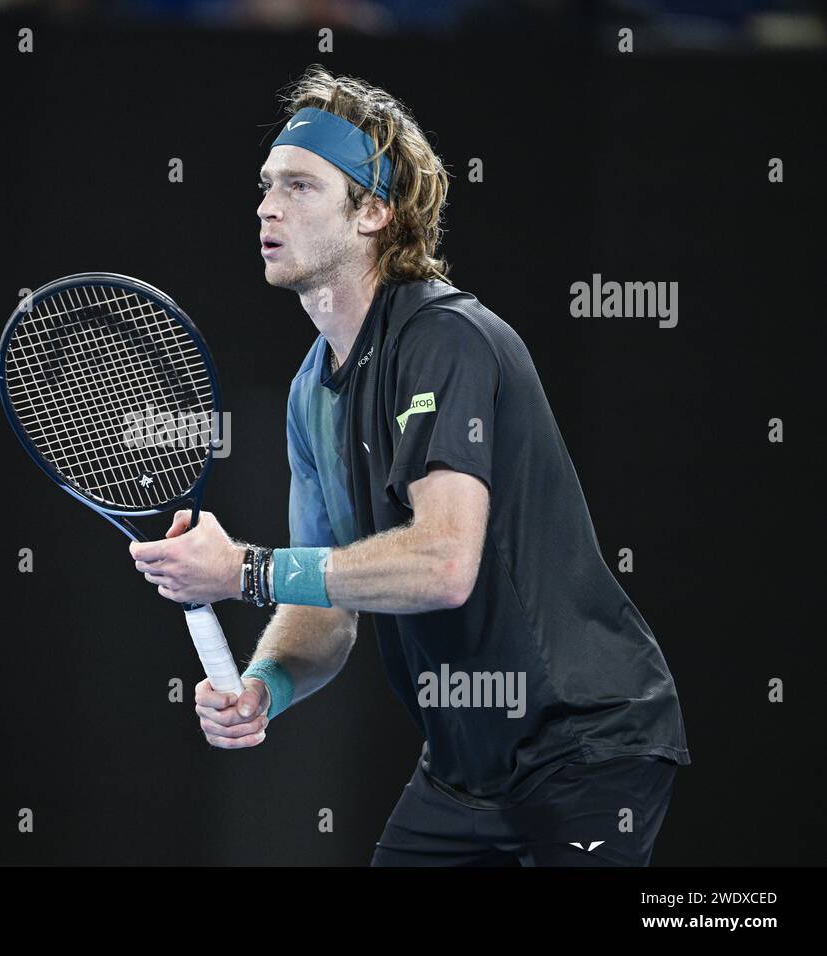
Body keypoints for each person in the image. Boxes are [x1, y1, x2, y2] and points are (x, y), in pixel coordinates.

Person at [128, 65, 690, 866]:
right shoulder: (309, 393)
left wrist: (243, 571)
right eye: (266, 185)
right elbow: (329, 602)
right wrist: (265, 685)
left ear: (373, 212)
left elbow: (442, 564)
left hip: (586, 747)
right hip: (460, 769)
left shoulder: (444, 340)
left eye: (299, 186)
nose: (266, 206)